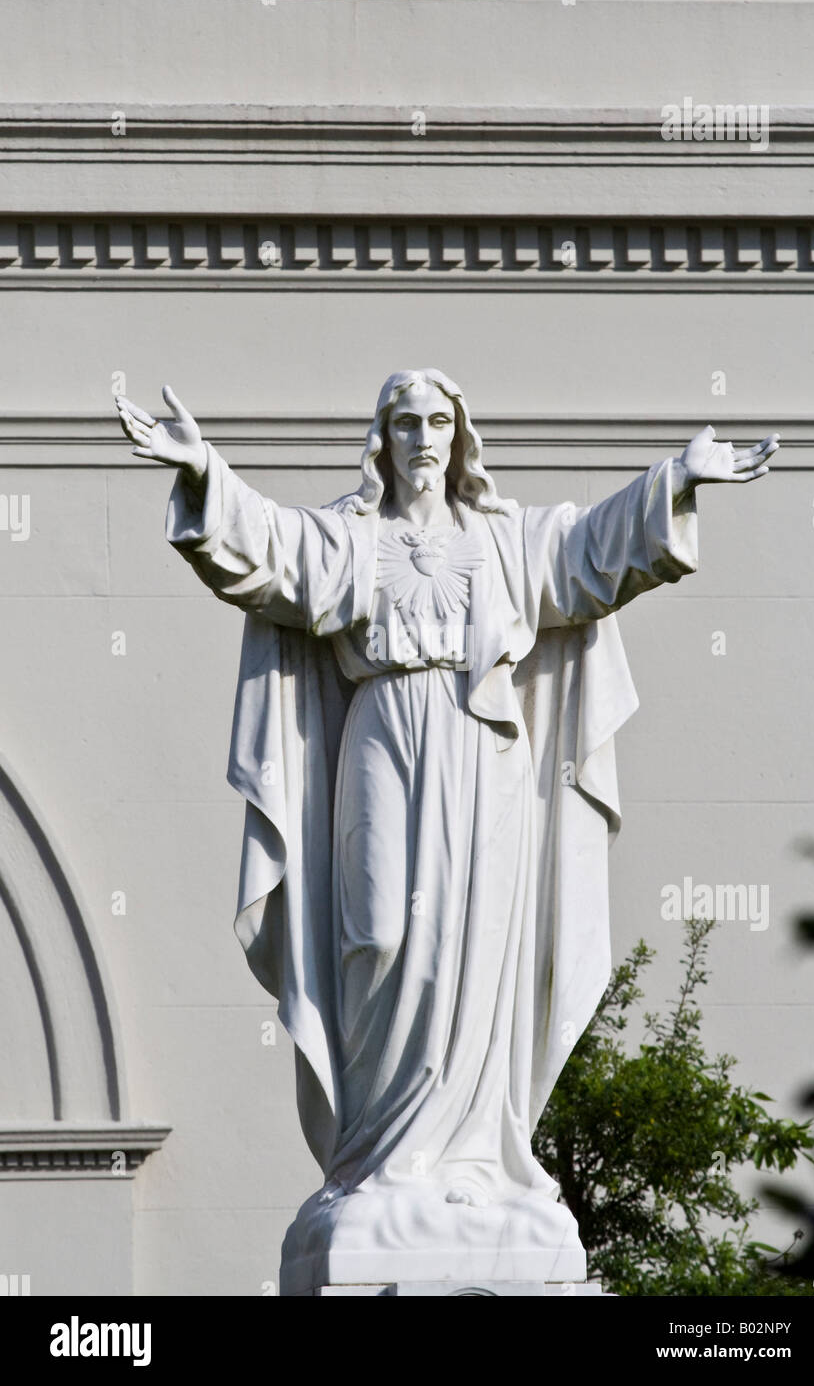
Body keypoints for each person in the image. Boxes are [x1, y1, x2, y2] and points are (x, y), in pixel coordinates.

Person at [116, 371, 777, 1288]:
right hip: (383, 728)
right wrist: (202, 470)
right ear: (380, 438)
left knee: (474, 953)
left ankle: (464, 1157)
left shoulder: (503, 540)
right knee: (380, 931)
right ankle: (378, 1156)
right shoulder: (354, 537)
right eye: (403, 422)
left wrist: (676, 478)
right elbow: (268, 554)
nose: (422, 436)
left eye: (437, 421)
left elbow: (590, 555)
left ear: (458, 434)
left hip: (484, 758)